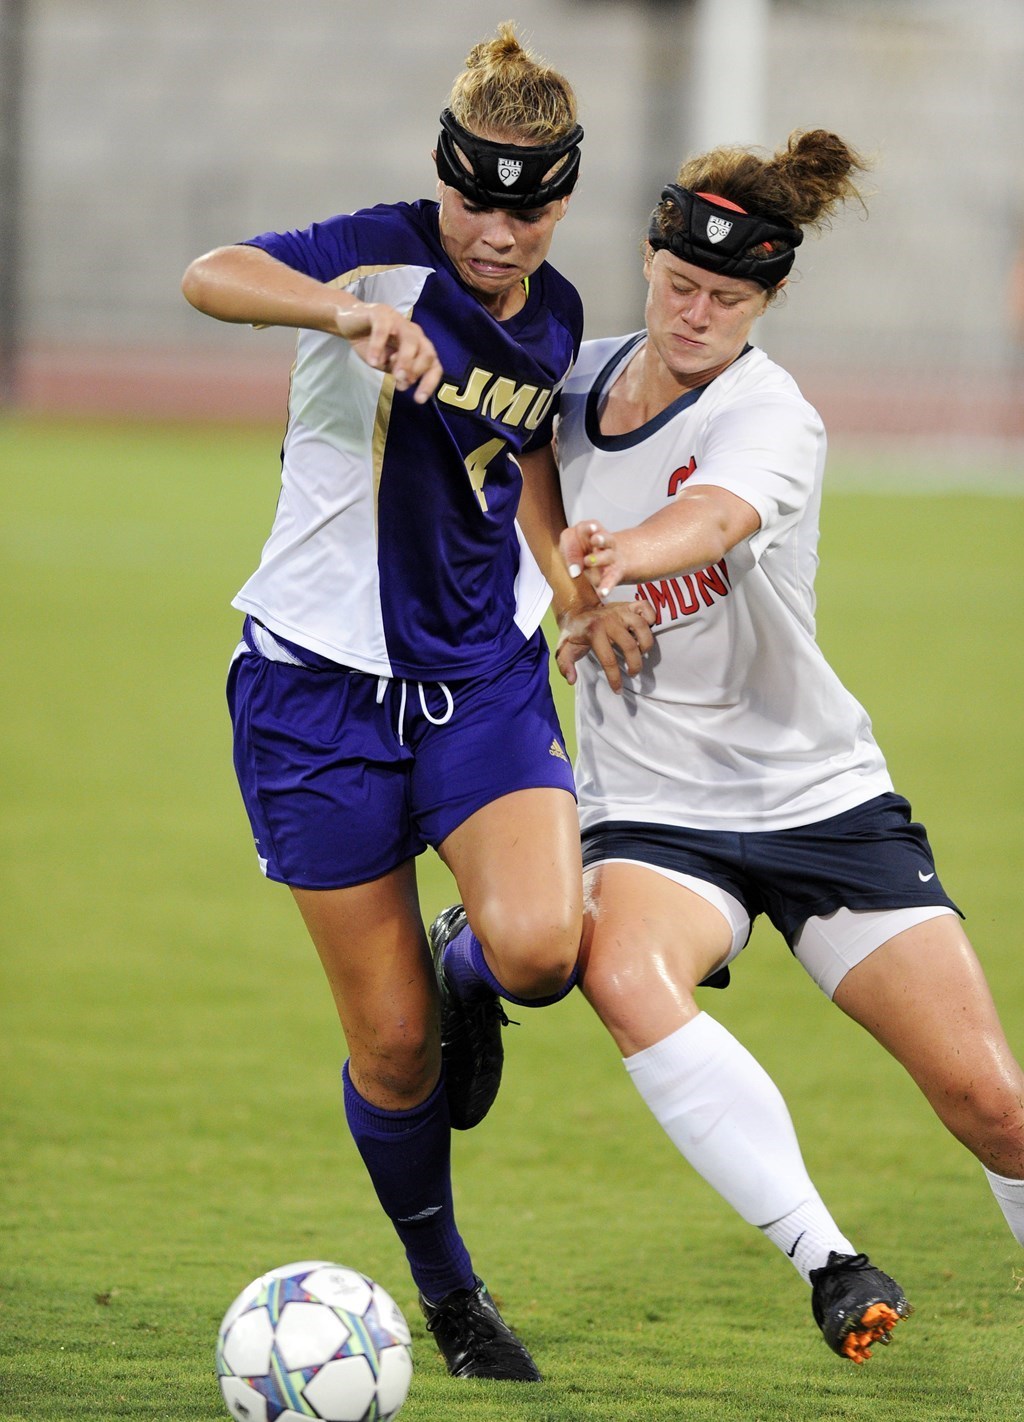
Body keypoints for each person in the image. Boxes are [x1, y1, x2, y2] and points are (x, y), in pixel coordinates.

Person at [181, 24, 648, 1383]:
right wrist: (343, 312)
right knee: (391, 1051)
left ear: (563, 197)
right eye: (478, 198)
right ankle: (451, 1295)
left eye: (533, 203)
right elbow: (210, 274)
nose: (500, 230)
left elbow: (534, 458)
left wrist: (568, 578)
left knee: (542, 950)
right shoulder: (379, 248)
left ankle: (471, 969)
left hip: (479, 678)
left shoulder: (553, 312)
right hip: (314, 695)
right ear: (441, 174)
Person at [546, 130, 1024, 1360]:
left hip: (816, 796)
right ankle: (828, 1259)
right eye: (679, 284)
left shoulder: (771, 414)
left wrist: (614, 561)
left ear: (766, 302)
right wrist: (566, 580)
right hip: (652, 807)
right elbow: (513, 483)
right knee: (620, 974)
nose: (697, 313)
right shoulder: (570, 388)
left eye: (729, 298)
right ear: (646, 261)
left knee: (992, 1107)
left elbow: (710, 518)